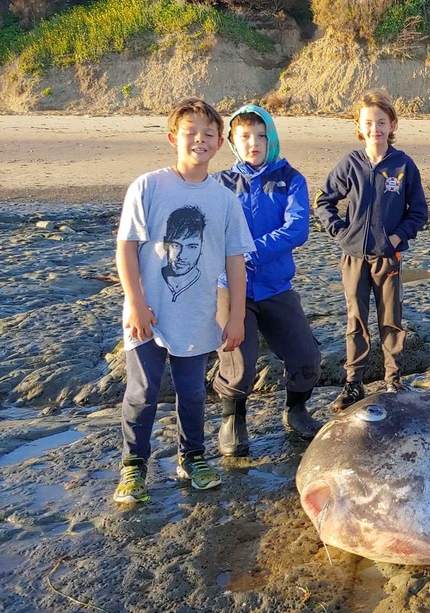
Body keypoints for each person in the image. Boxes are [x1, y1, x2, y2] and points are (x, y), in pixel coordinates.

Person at [114, 97, 255, 505]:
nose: (200, 140)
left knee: (193, 392)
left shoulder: (225, 199)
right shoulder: (149, 186)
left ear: (219, 142)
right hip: (148, 315)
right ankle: (133, 466)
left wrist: (237, 318)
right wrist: (136, 303)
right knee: (142, 392)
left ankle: (192, 457)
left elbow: (234, 261)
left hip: (197, 316)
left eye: (209, 134)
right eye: (191, 132)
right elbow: (126, 248)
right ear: (173, 137)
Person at [212, 105, 322, 457]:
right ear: (232, 141)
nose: (254, 143)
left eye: (261, 135)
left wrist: (250, 251)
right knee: (238, 362)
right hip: (230, 288)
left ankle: (296, 410)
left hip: (276, 287)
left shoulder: (291, 178)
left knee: (306, 354)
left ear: (271, 139)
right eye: (244, 136)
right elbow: (209, 232)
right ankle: (233, 419)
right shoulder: (219, 184)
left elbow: (297, 229)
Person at [314, 88, 428, 407]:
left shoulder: (403, 165)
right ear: (360, 126)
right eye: (369, 122)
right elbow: (324, 202)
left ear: (392, 125)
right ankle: (354, 384)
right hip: (353, 258)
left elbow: (418, 211)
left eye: (381, 122)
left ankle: (393, 381)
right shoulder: (350, 163)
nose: (375, 128)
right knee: (357, 321)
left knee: (391, 319)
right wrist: (341, 233)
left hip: (388, 258)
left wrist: (395, 239)